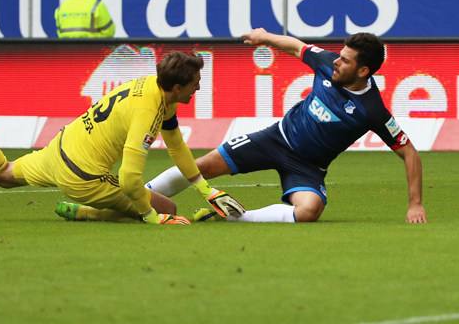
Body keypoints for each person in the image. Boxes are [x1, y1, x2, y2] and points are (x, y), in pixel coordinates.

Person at [0, 52, 246, 226]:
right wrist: (153, 218)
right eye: (195, 83)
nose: (199, 88)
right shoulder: (148, 112)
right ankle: (85, 212)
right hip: (84, 176)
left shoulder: (154, 86)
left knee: (4, 175)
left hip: (61, 146)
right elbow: (131, 179)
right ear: (177, 87)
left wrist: (208, 190)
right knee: (166, 206)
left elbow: (176, 145)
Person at [145, 28, 428, 224]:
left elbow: (410, 152)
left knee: (309, 210)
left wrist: (415, 204)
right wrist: (264, 37)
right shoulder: (327, 62)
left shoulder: (372, 110)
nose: (336, 61)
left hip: (307, 167)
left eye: (345, 60)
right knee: (202, 165)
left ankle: (233, 216)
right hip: (275, 139)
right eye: (339, 55)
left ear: (363, 71)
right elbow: (296, 46)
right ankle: (137, 196)